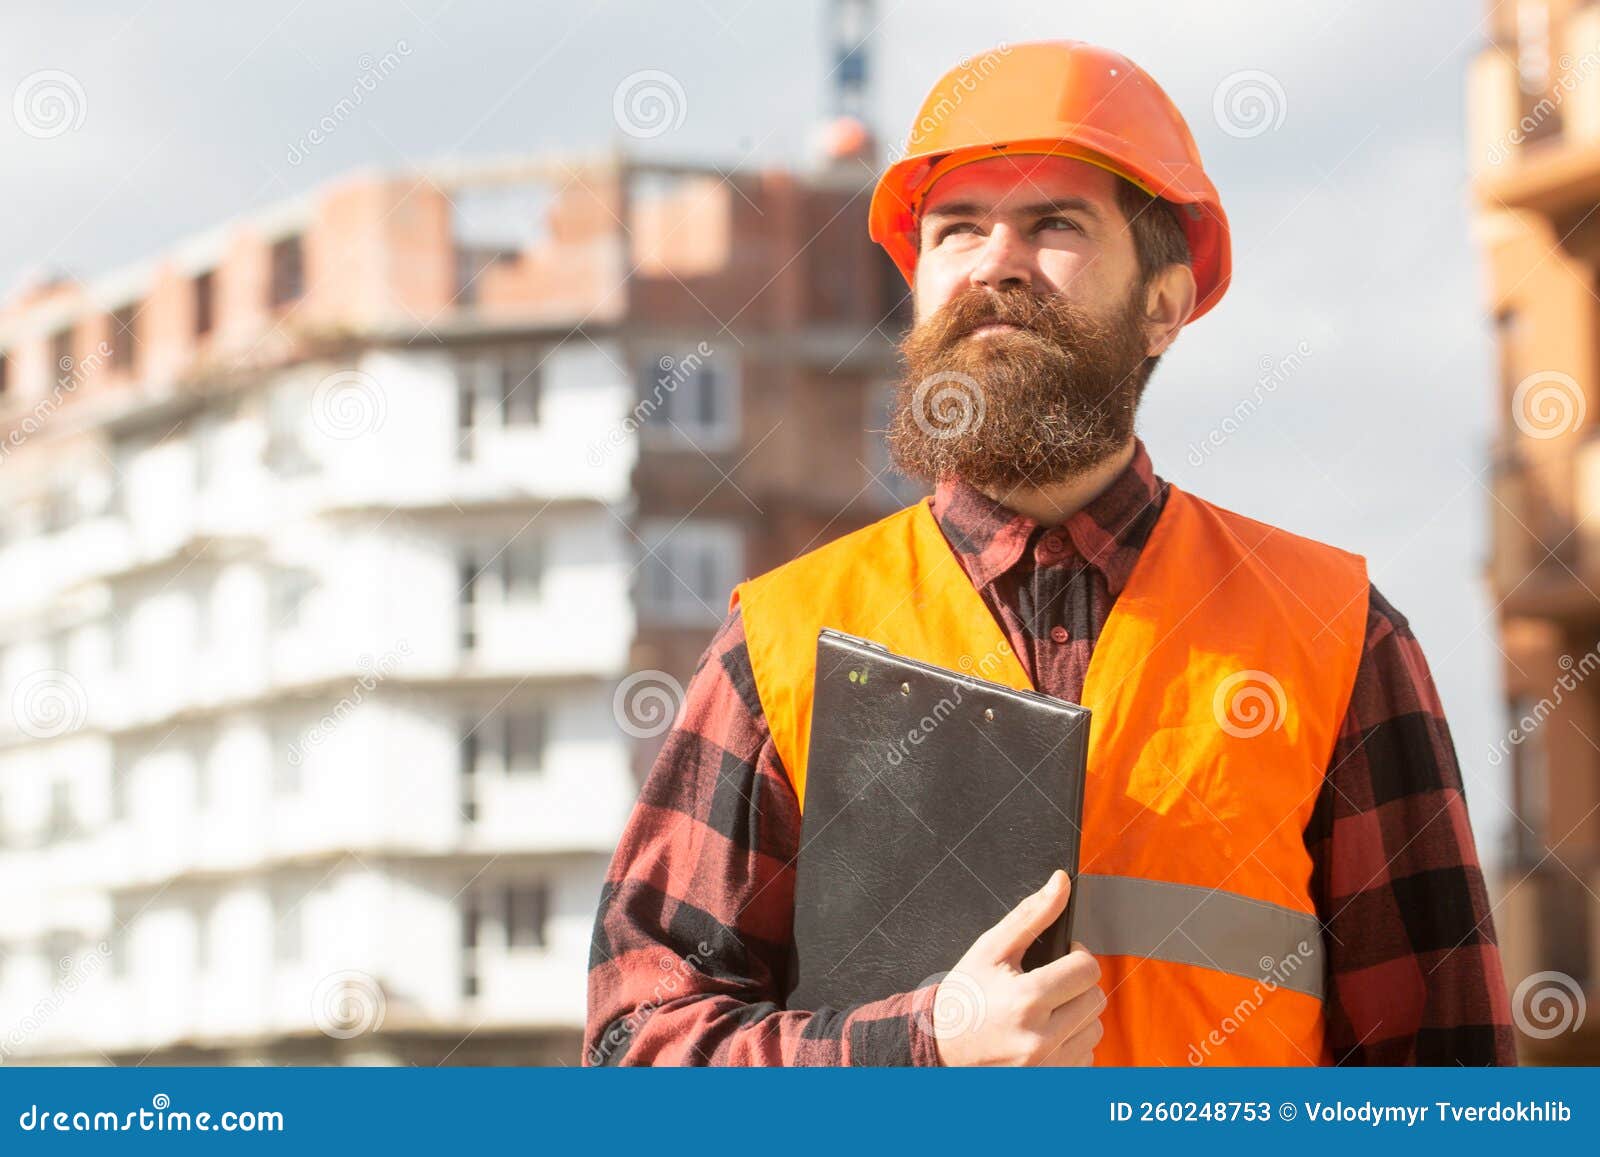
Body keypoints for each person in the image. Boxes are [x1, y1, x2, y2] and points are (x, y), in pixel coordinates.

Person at [585, 39, 1515, 1066]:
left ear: (1161, 304)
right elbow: (642, 1049)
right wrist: (917, 1044)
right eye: (957, 231)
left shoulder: (1333, 633)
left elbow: (1446, 1070)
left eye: (1053, 223)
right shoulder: (780, 641)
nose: (994, 261)